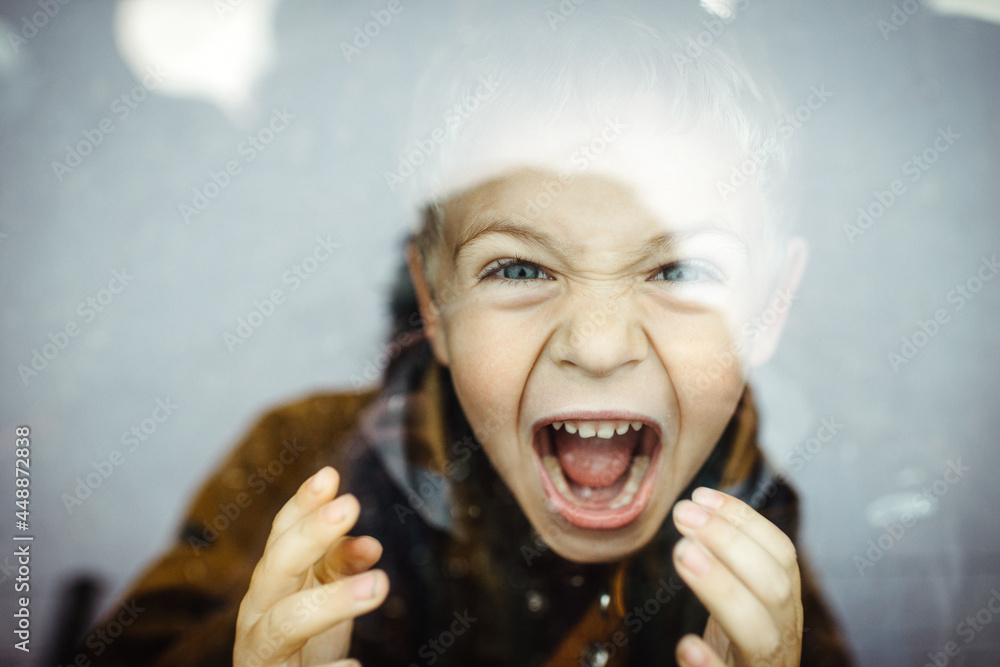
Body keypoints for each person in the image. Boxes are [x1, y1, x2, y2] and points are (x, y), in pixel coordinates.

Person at [89, 3, 853, 665]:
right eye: (519, 270)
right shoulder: (295, 469)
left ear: (770, 308)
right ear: (435, 303)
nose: (596, 344)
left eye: (681, 271)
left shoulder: (786, 535)